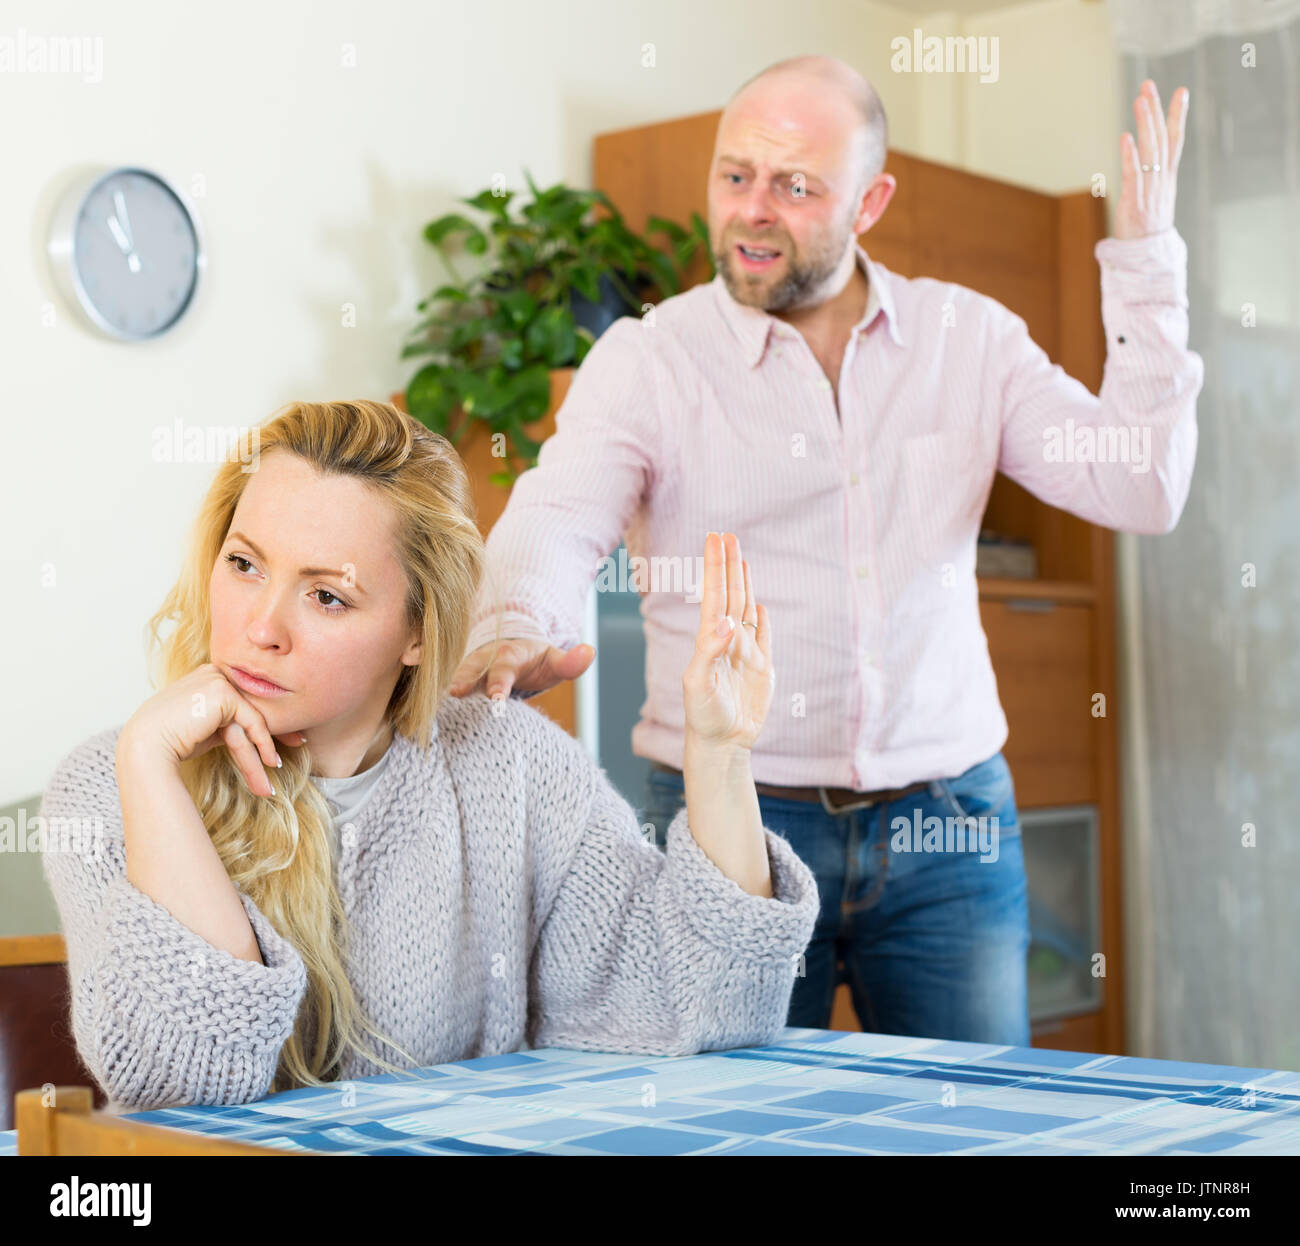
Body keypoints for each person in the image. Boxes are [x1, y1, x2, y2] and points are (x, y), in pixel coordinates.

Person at [449, 56, 1201, 1045]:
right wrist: (514, 622)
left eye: (795, 185)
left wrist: (1145, 265)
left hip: (950, 820)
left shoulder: (966, 341)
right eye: (734, 176)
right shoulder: (651, 361)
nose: (752, 211)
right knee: (733, 1127)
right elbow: (558, 510)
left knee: (972, 1130)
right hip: (730, 819)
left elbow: (1139, 484)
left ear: (870, 199)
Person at [39, 399, 818, 1113]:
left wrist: (719, 750)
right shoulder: (113, 786)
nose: (261, 627)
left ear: (418, 633)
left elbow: (712, 1008)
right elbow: (185, 1088)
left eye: (326, 596)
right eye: (244, 565)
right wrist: (147, 759)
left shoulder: (510, 766)